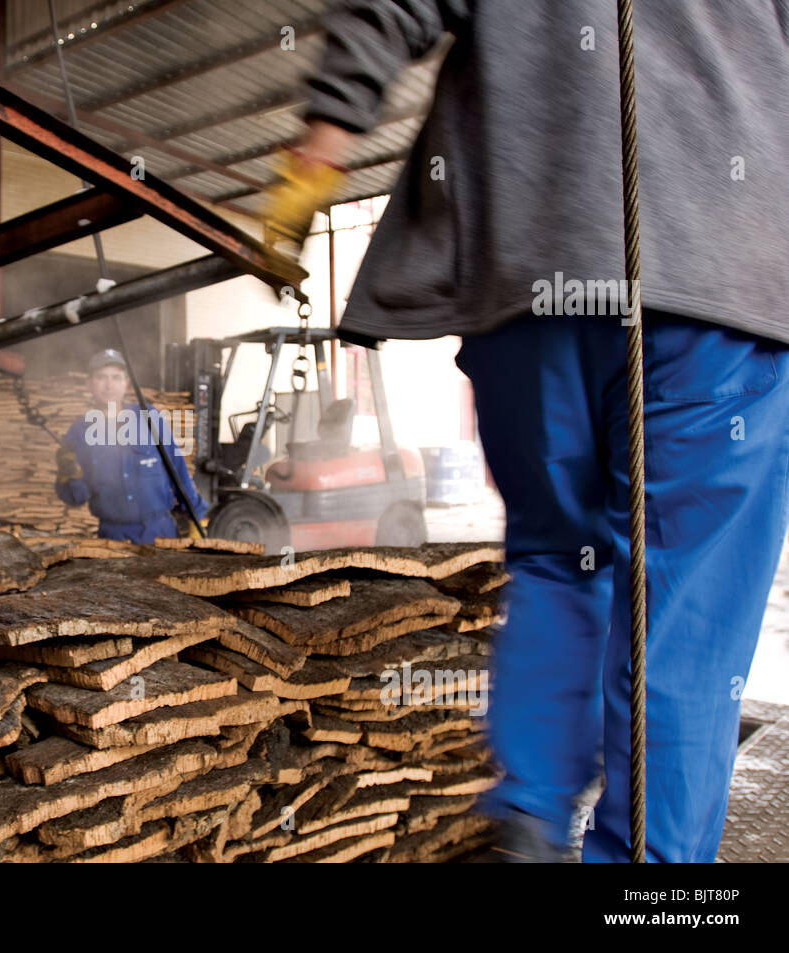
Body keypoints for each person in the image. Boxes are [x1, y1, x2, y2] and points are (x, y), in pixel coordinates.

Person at [264, 0, 789, 862]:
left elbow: (392, 9)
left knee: (556, 555)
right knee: (683, 599)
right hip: (719, 276)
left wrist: (323, 135)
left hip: (533, 272)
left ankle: (535, 810)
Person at [55, 348, 209, 544]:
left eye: (116, 377)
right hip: (113, 537)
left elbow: (177, 470)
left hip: (160, 533)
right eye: (101, 377)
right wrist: (68, 476)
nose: (108, 385)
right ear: (89, 384)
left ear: (126, 383)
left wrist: (198, 517)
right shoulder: (79, 432)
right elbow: (76, 498)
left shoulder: (148, 418)